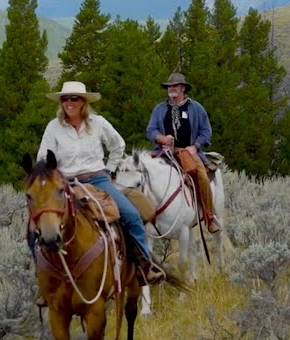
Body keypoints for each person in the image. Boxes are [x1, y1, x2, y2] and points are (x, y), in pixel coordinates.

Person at [36, 81, 165, 285]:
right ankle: (43, 280)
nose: (69, 102)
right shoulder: (54, 127)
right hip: (66, 183)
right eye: (65, 98)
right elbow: (43, 158)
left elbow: (118, 145)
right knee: (39, 224)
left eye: (74, 98)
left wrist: (109, 169)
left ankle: (144, 265)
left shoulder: (98, 123)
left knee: (130, 215)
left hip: (97, 179)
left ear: (83, 102)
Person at [147, 72, 219, 233]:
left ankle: (209, 216)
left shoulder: (196, 108)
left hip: (188, 151)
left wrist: (196, 146)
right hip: (164, 151)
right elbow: (150, 130)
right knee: (142, 171)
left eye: (174, 86)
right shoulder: (160, 109)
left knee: (201, 176)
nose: (171, 89)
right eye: (169, 86)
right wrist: (161, 138)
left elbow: (206, 132)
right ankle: (145, 216)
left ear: (183, 88)